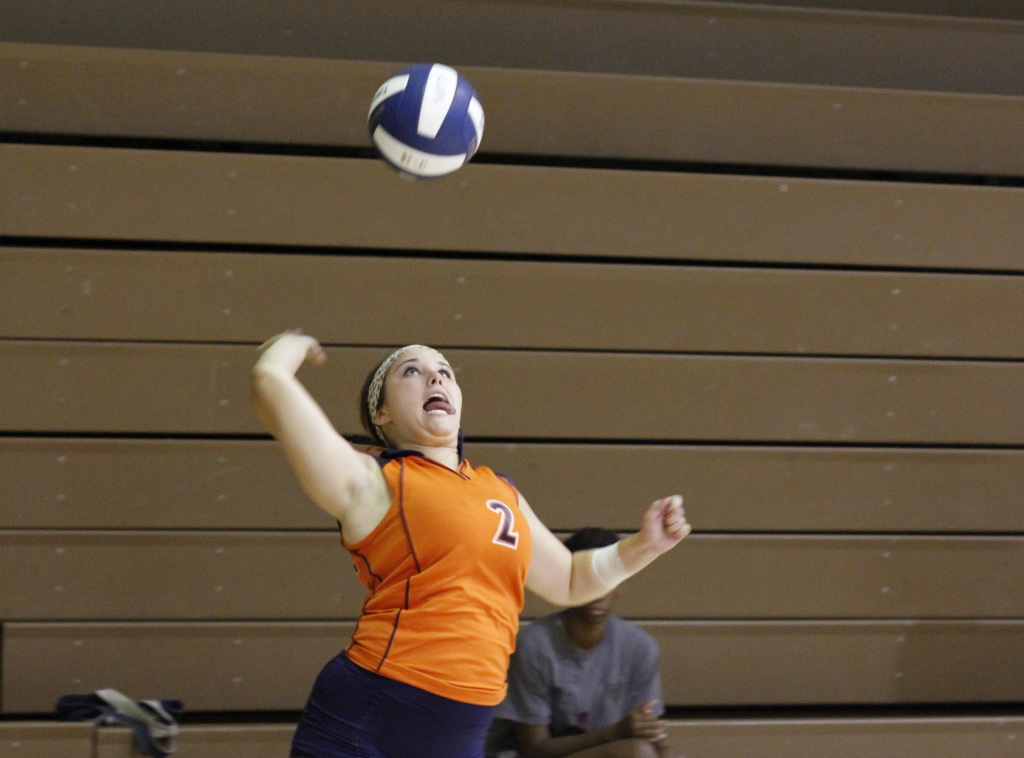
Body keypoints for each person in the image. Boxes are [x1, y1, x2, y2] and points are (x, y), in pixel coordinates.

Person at [249, 332, 691, 758]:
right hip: (374, 711)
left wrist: (646, 545)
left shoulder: (500, 490)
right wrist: (289, 345)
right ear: (381, 414)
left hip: (463, 724)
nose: (436, 378)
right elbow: (270, 386)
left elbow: (571, 581)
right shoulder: (372, 479)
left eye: (444, 371)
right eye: (412, 372)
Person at [489, 528, 668, 758]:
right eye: (590, 578)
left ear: (623, 584)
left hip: (608, 749)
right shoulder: (534, 646)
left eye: (609, 578)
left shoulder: (640, 648)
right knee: (637, 754)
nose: (599, 591)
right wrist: (615, 732)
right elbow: (533, 750)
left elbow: (651, 734)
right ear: (568, 580)